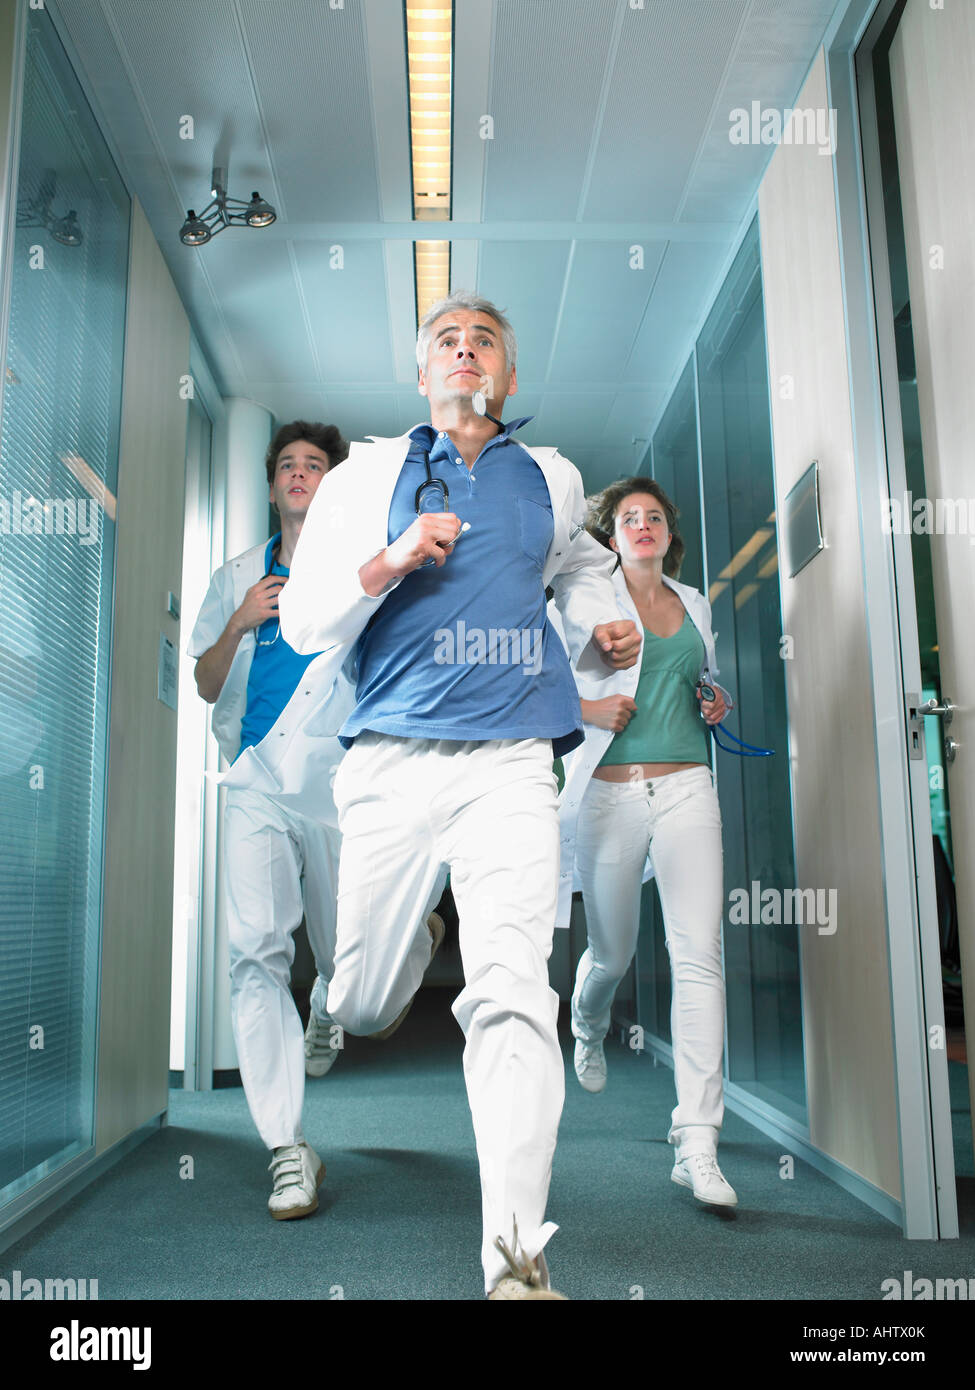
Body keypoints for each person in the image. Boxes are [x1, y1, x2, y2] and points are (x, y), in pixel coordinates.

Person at [278, 291, 639, 1299]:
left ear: (509, 376)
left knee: (516, 993)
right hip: (391, 761)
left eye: (485, 340)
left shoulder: (552, 477)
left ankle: (515, 1257)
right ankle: (342, 998)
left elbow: (582, 568)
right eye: (448, 339)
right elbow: (307, 620)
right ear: (422, 370)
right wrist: (392, 558)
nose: (466, 350)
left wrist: (604, 624)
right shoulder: (366, 474)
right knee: (362, 992)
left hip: (515, 758)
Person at [188, 420, 355, 1220]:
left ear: (332, 484)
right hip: (254, 778)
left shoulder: (361, 572)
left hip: (334, 785)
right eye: (286, 464)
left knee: (351, 967)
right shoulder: (236, 576)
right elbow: (204, 684)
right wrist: (237, 622)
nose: (297, 473)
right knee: (252, 952)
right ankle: (287, 1147)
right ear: (270, 485)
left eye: (313, 464)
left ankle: (330, 1004)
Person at [557, 478, 739, 1208]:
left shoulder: (694, 602)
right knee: (614, 952)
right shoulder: (582, 599)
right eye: (627, 518)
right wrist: (587, 706)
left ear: (668, 533)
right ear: (609, 536)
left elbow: (705, 682)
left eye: (653, 517)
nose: (641, 526)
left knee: (698, 956)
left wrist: (716, 700)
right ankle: (587, 1017)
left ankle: (696, 1139)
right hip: (609, 791)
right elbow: (534, 687)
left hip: (688, 785)